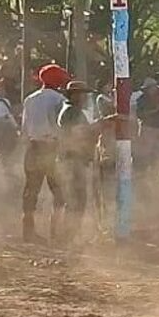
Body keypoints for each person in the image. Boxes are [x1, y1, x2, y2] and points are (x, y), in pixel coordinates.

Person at [55, 80, 109, 246]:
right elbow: (80, 134)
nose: (85, 97)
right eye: (83, 94)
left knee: (76, 199)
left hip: (71, 159)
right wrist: (103, 123)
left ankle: (70, 236)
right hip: (73, 160)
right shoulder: (72, 112)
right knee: (77, 200)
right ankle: (69, 237)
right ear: (76, 95)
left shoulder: (71, 111)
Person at [20, 64, 70, 242]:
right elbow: (61, 126)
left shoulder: (30, 99)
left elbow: (24, 128)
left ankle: (28, 231)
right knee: (58, 191)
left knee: (31, 191)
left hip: (33, 147)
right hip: (51, 148)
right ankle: (56, 232)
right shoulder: (60, 100)